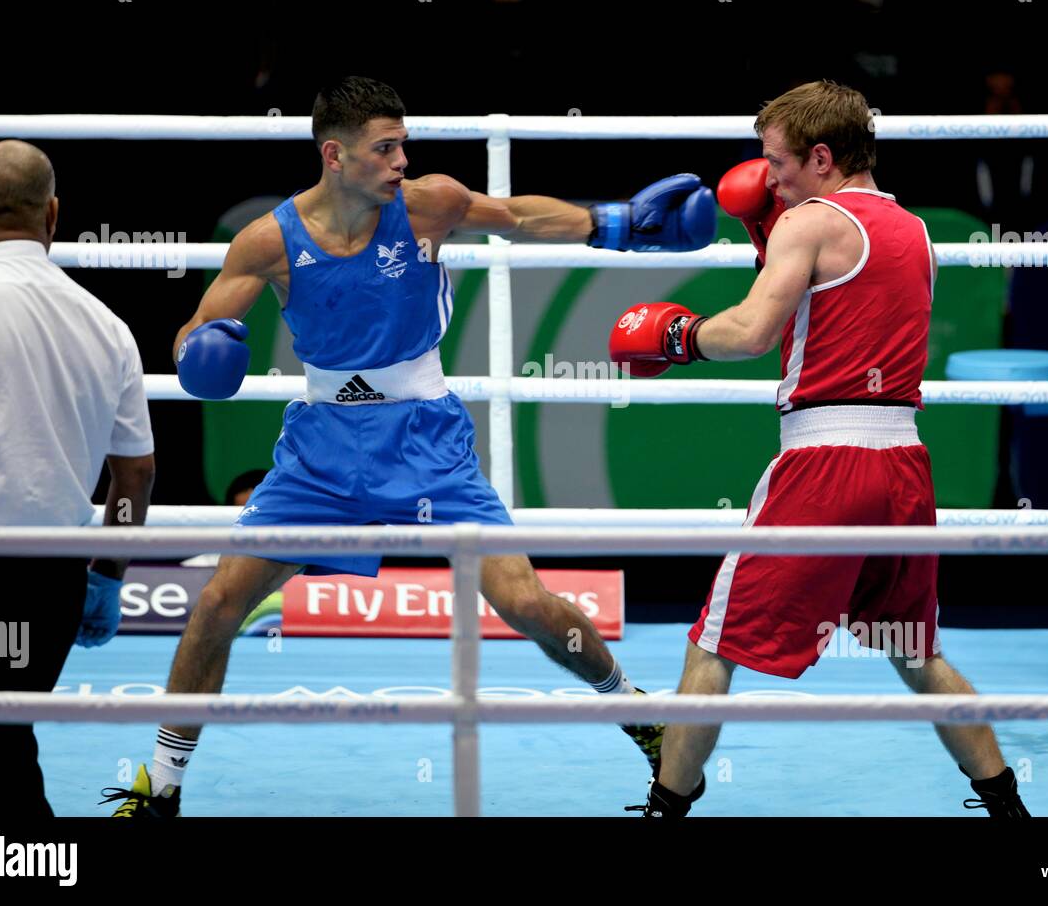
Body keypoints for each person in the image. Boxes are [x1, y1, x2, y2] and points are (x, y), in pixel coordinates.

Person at [103, 76, 715, 816]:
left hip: (429, 438)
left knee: (524, 601)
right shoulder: (268, 241)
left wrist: (612, 223)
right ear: (334, 155)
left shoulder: (426, 205)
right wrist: (200, 350)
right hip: (321, 451)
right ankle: (162, 786)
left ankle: (638, 713)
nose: (401, 161)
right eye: (383, 148)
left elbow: (518, 216)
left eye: (403, 144)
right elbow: (193, 334)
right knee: (220, 603)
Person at [610, 81, 1029, 818]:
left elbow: (750, 334)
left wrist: (677, 336)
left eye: (777, 162)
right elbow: (832, 315)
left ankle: (665, 806)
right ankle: (1007, 806)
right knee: (914, 650)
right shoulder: (915, 231)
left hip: (826, 461)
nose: (768, 178)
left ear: (823, 157)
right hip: (903, 464)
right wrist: (767, 243)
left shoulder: (809, 223)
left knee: (714, 643)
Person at [0, 140, 155, 815]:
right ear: (53, 215)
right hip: (51, 582)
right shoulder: (108, 327)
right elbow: (134, 476)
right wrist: (106, 576)